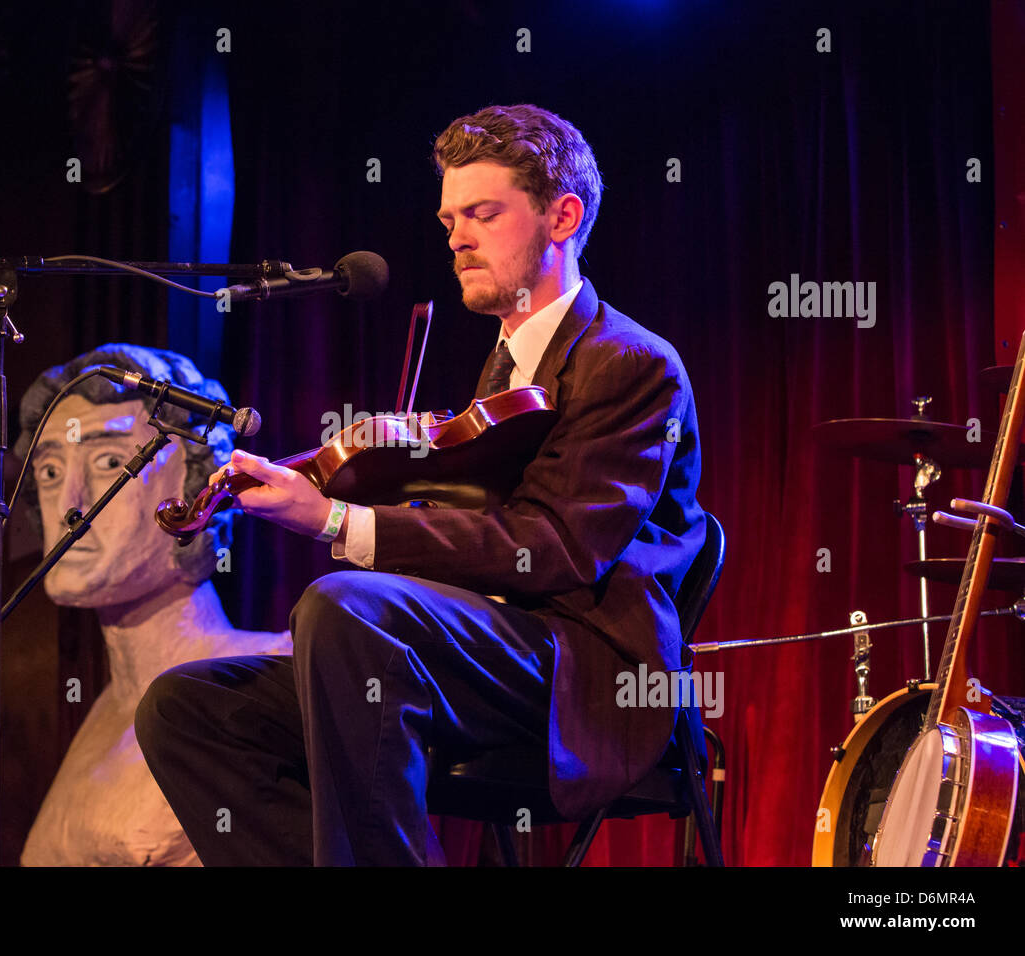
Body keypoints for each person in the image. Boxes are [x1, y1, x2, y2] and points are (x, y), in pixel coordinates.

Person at [134, 104, 705, 865]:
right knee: (187, 708)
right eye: (448, 220)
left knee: (345, 608)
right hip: (480, 652)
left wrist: (339, 520)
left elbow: (558, 548)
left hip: (579, 670)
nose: (458, 239)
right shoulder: (500, 373)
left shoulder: (630, 364)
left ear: (562, 216)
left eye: (483, 214)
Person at [16, 344, 290, 867]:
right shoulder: (101, 714)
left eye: (111, 461)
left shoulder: (276, 674)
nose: (71, 501)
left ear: (196, 487)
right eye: (49, 471)